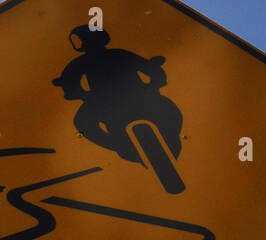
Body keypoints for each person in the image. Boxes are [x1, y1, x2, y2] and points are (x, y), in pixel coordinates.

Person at [52, 25, 183, 165]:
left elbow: (149, 68)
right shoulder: (81, 63)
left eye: (87, 39)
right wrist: (83, 95)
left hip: (135, 94)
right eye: (84, 40)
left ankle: (165, 133)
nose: (89, 43)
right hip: (105, 102)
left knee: (168, 109)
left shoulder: (118, 54)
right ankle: (118, 144)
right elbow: (70, 84)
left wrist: (154, 83)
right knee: (82, 122)